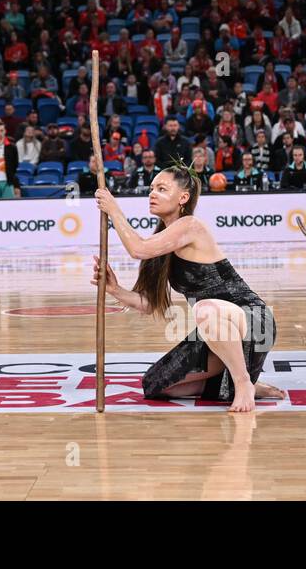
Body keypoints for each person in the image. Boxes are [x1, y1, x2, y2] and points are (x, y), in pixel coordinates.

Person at [91, 166, 284, 412]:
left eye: (162, 189)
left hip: (251, 321)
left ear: (183, 198)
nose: (153, 194)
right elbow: (150, 303)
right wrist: (115, 289)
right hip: (213, 327)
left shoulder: (191, 226)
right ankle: (242, 386)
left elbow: (137, 248)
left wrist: (113, 210)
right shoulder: (163, 239)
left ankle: (243, 382)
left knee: (204, 309)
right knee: (155, 384)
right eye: (151, 189)